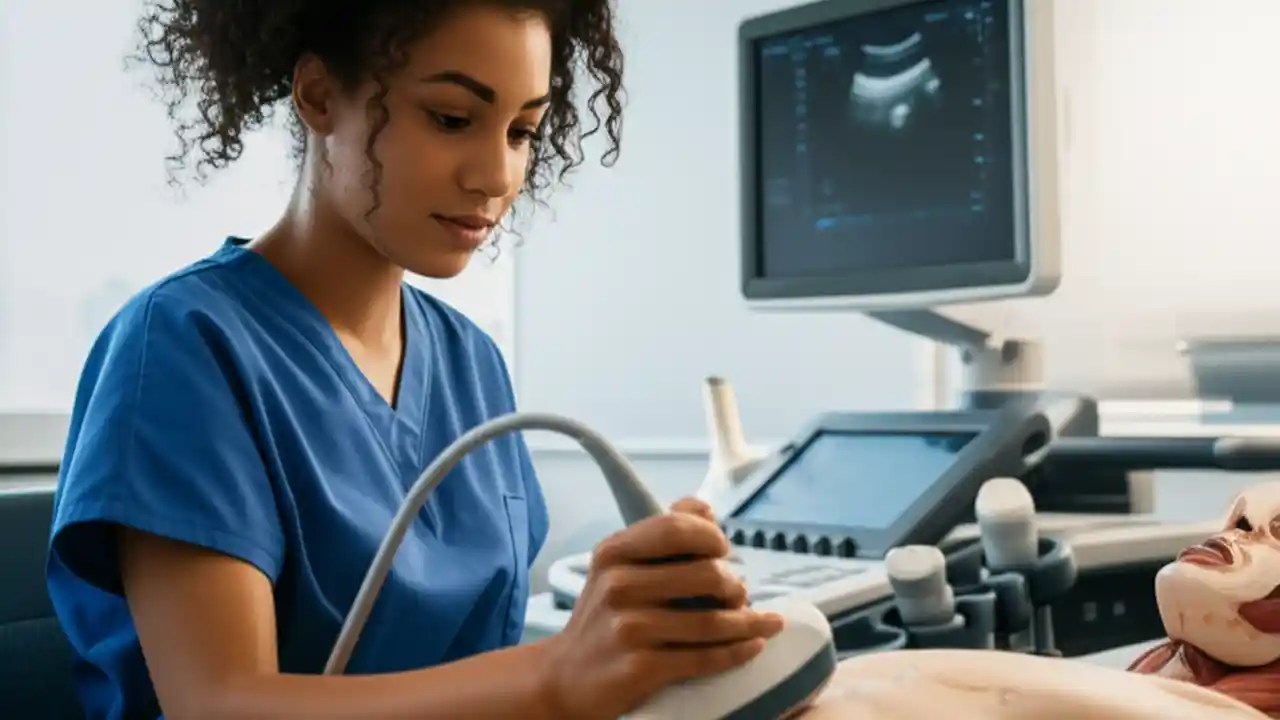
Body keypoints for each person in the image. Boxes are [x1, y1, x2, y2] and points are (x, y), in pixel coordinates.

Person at [44, 2, 784, 718]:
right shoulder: (182, 345)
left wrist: (634, 635)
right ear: (321, 96)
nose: (497, 176)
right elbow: (220, 705)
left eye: (524, 130)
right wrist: (556, 678)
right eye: (453, 119)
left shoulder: (473, 366)